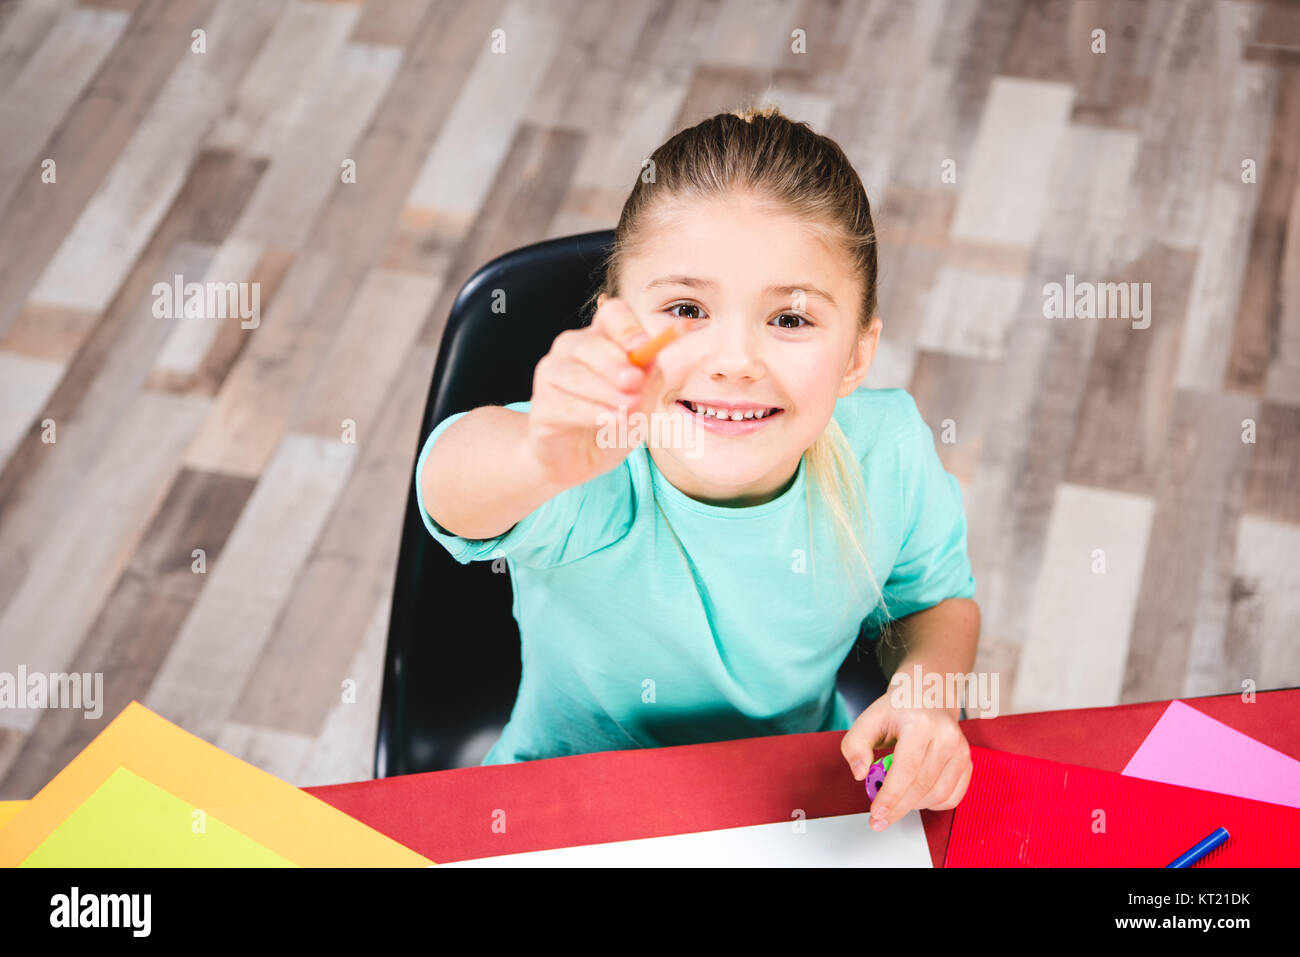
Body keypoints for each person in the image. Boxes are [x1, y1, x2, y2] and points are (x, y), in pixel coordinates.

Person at [418, 105, 980, 832]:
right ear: (618, 321)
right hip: (563, 816)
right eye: (687, 308)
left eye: (791, 318)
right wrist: (534, 456)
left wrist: (926, 694)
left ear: (857, 356)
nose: (735, 362)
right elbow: (448, 483)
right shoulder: (592, 458)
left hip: (787, 814)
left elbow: (935, 602)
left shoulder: (888, 452)